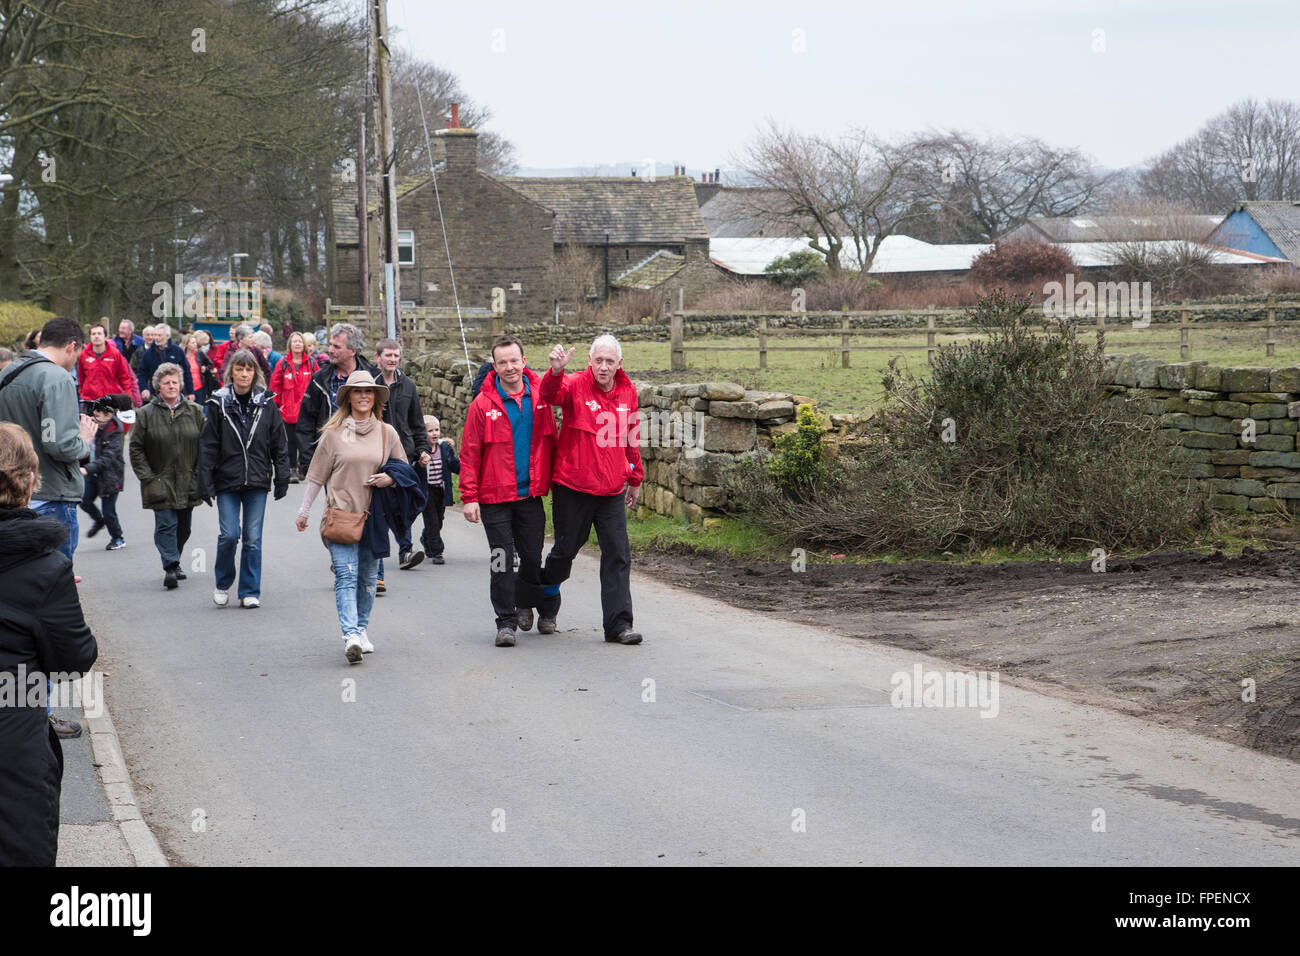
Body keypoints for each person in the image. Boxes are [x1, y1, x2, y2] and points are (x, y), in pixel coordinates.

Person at [0, 422, 98, 866]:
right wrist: (57, 609)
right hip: (14, 741)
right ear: (29, 483)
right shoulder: (44, 568)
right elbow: (73, 660)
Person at [294, 370, 407, 663]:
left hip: (374, 518)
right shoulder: (333, 435)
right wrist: (304, 511)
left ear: (375, 398)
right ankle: (351, 635)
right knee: (346, 575)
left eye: (368, 391)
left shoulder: (387, 433)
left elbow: (403, 471)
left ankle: (361, 627)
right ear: (348, 398)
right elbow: (317, 476)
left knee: (368, 577)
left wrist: (389, 479)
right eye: (358, 391)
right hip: (341, 515)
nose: (363, 396)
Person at [539, 334, 644, 645]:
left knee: (618, 555)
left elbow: (631, 435)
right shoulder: (574, 384)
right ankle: (546, 596)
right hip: (573, 487)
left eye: (610, 361)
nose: (604, 367)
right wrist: (556, 370)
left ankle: (619, 625)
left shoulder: (628, 392)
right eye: (599, 360)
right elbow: (549, 395)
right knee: (565, 551)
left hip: (611, 490)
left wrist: (635, 477)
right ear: (590, 361)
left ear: (619, 363)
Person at [459, 336, 559, 648]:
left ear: (524, 361)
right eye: (502, 362)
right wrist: (469, 497)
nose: (509, 367)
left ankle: (529, 603)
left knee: (531, 557)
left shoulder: (540, 398)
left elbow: (553, 443)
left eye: (514, 360)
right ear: (494, 366)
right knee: (501, 559)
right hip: (495, 498)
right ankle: (506, 621)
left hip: (530, 496)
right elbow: (470, 453)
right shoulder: (481, 404)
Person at [0, 317, 96, 568]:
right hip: (52, 492)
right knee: (55, 575)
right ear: (71, 346)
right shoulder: (57, 378)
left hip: (13, 491)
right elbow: (59, 444)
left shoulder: (9, 371)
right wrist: (84, 440)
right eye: (78, 353)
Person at [199, 350, 290, 609]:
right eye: (239, 369)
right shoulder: (218, 403)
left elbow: (278, 442)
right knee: (229, 535)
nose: (244, 374)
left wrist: (282, 476)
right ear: (232, 372)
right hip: (226, 479)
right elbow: (207, 446)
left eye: (249, 369)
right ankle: (223, 582)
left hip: (257, 479)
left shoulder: (266, 403)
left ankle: (249, 590)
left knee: (252, 538)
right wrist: (204, 481)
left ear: (255, 373)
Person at [129, 363, 205, 590]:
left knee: (184, 527)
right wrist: (148, 478)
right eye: (166, 383)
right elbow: (136, 448)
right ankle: (170, 566)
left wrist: (200, 474)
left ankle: (175, 558)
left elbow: (205, 445)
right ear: (158, 387)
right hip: (159, 480)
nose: (171, 386)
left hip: (189, 479)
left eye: (174, 382)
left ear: (180, 384)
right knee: (166, 524)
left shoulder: (195, 411)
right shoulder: (145, 414)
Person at [374, 337, 432, 572]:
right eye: (388, 355)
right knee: (378, 507)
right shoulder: (371, 385)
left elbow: (417, 423)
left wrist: (423, 450)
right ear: (378, 358)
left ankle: (405, 552)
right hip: (376, 454)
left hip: (403, 455)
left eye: (396, 356)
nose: (392, 359)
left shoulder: (408, 386)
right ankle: (373, 557)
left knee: (404, 503)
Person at [79, 394, 128, 551]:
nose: (95, 419)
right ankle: (99, 520)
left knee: (109, 511)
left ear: (109, 415)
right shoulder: (93, 426)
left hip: (110, 475)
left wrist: (86, 469)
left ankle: (118, 537)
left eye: (99, 416)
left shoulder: (115, 431)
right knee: (84, 500)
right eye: (94, 415)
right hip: (93, 472)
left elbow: (108, 458)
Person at [269, 331, 312, 482]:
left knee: (305, 441)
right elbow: (275, 386)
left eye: (300, 341)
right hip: (289, 411)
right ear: (290, 345)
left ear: (304, 344)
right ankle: (292, 469)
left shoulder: (311, 363)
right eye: (294, 341)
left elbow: (318, 384)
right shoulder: (283, 364)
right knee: (291, 442)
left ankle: (303, 468)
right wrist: (277, 406)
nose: (297, 344)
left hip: (307, 411)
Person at [418, 415, 459, 565]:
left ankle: (426, 538)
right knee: (432, 522)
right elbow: (415, 469)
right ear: (423, 433)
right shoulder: (420, 450)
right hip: (427, 491)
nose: (434, 433)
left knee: (439, 521)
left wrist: (467, 470)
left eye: (437, 430)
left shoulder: (444, 448)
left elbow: (453, 464)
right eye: (430, 431)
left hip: (441, 490)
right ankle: (437, 552)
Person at [76, 322, 136, 411]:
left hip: (111, 401)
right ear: (90, 337)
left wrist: (128, 398)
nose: (96, 336)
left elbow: (125, 378)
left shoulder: (115, 354)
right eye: (93, 334)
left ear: (105, 336)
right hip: (90, 401)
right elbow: (81, 378)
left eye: (99, 333)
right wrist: (83, 392)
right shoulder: (83, 355)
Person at [137, 323, 193, 401]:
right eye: (155, 335)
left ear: (168, 336)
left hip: (176, 394)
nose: (156, 338)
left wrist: (190, 392)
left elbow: (187, 372)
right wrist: (144, 388)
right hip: (156, 395)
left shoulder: (177, 351)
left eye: (159, 335)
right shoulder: (148, 353)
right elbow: (142, 372)